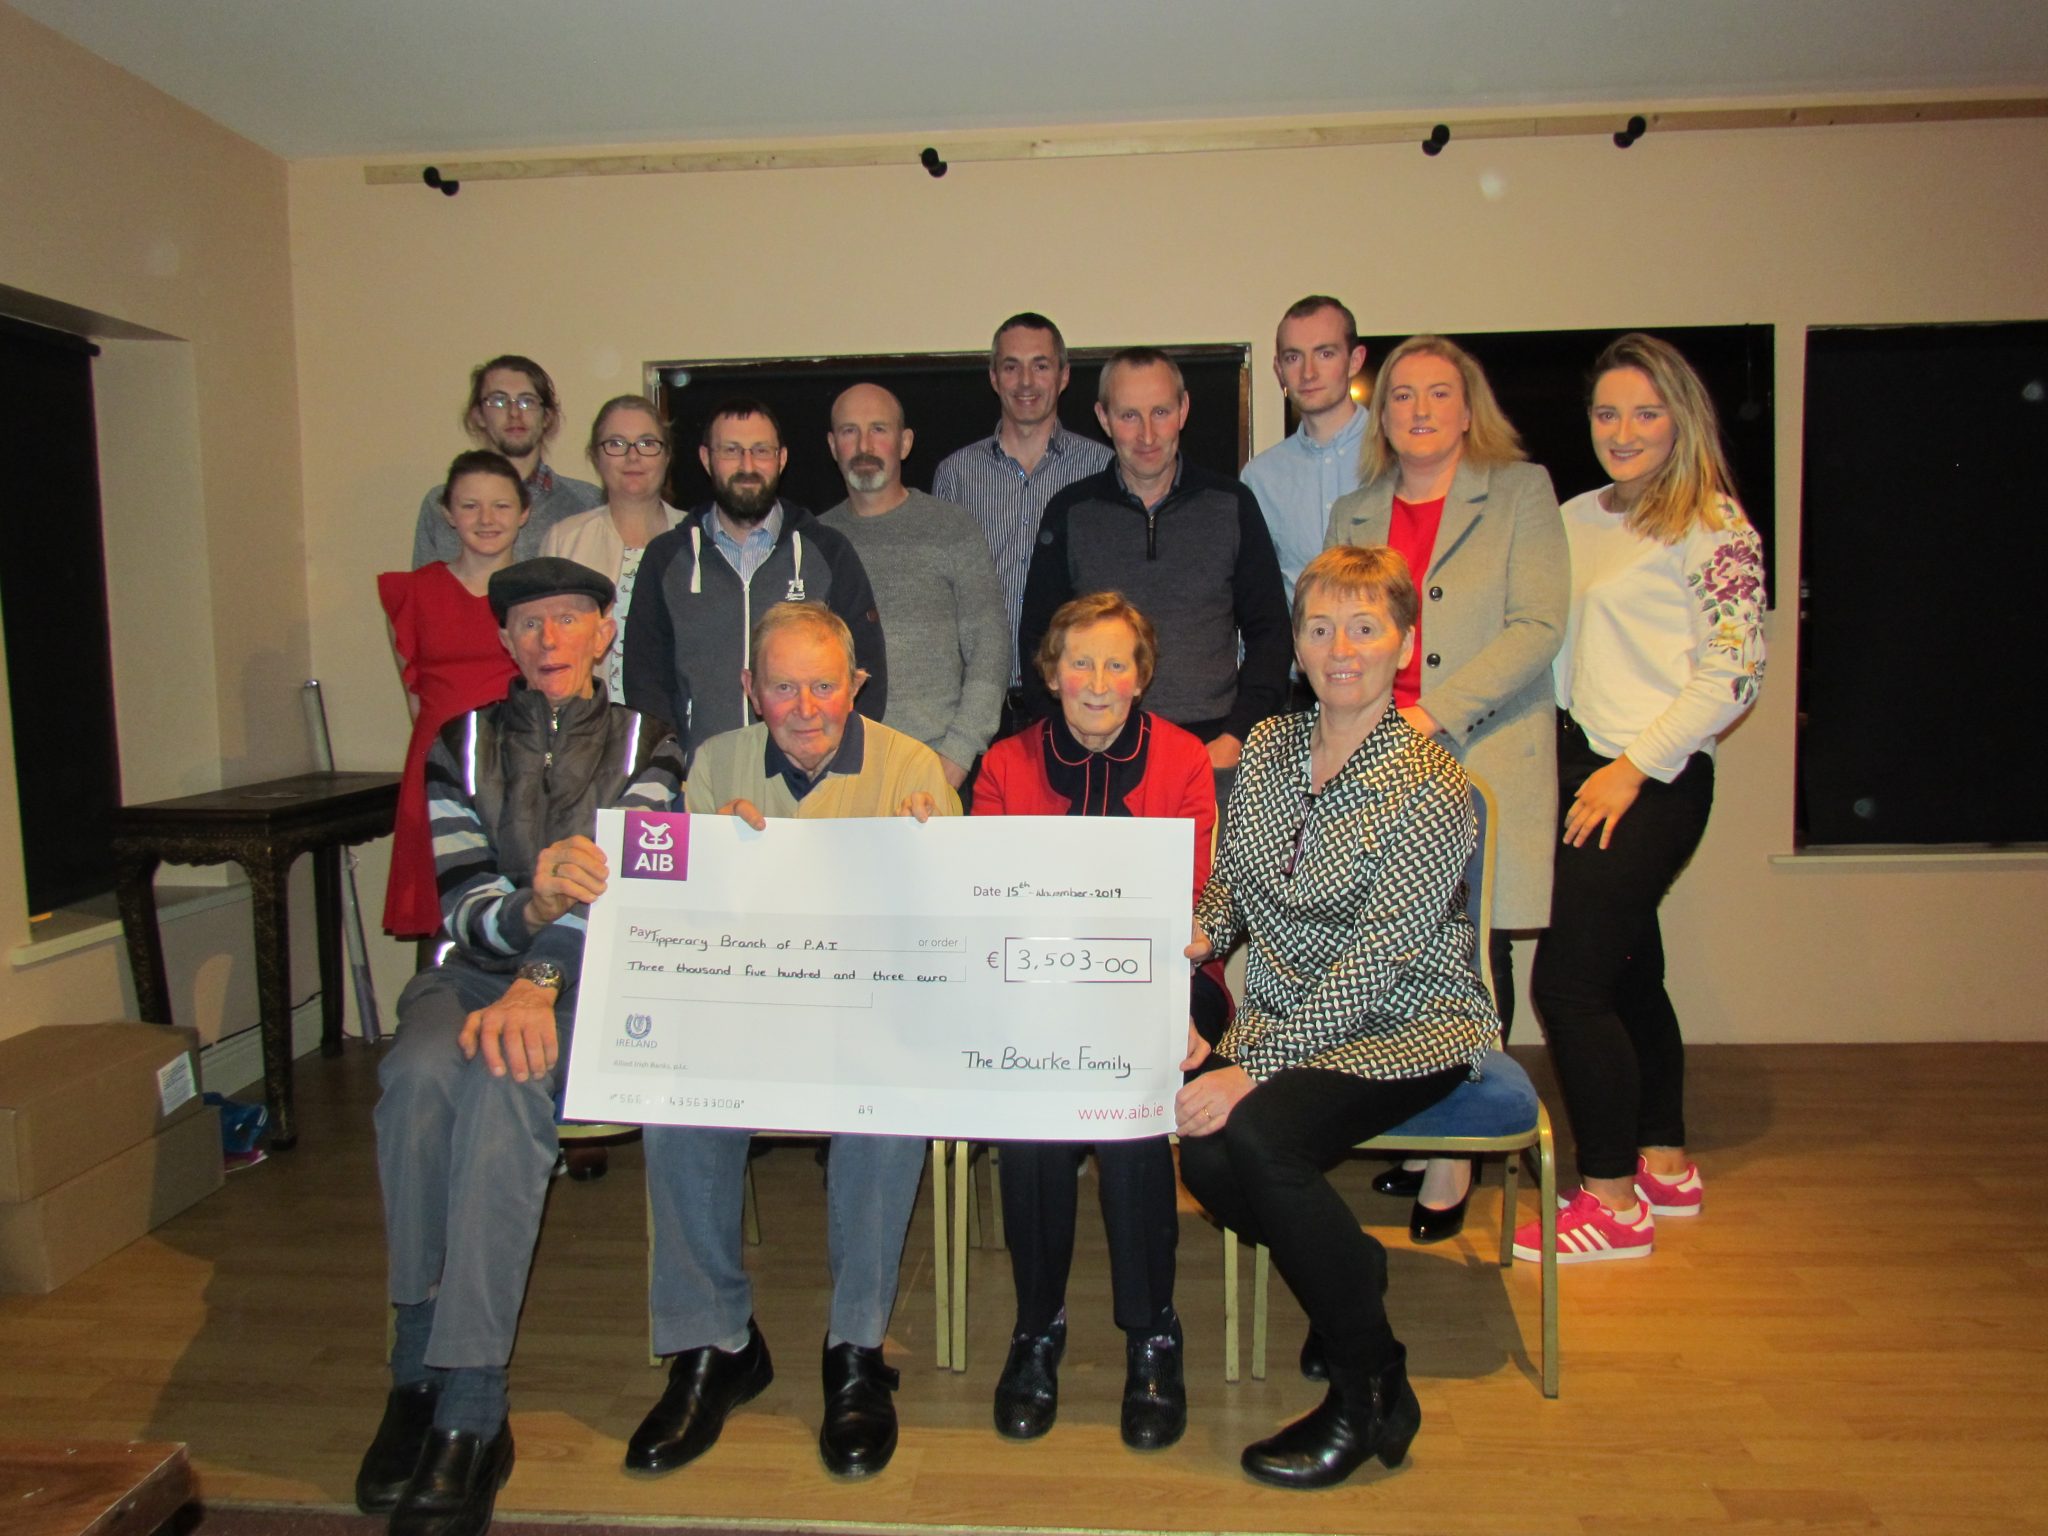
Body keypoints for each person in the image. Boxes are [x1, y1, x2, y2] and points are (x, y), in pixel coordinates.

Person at [358, 558, 684, 1536]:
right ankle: (413, 1368)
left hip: (596, 979)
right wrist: (534, 907)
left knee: (503, 1088)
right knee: (414, 1077)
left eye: (568, 619)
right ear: (504, 642)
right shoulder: (458, 745)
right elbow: (462, 903)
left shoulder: (650, 742)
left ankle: (468, 1408)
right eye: (528, 623)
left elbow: (631, 887)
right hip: (469, 972)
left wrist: (542, 976)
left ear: (601, 630)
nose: (547, 639)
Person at [1174, 545, 1500, 1490]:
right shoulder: (1272, 749)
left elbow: (1376, 962)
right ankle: (1352, 1268)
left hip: (1411, 1018)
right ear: (1299, 648)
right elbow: (1235, 885)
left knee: (1260, 1137)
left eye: (1365, 627)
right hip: (1288, 1011)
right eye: (1321, 629)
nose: (1341, 648)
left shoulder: (1432, 785)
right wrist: (1191, 942)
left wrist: (1249, 1063)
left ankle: (1372, 1390)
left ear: (1403, 642)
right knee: (1205, 1155)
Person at [629, 603, 956, 1481]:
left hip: (869, 1020)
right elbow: (666, 923)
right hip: (746, 1020)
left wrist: (938, 857)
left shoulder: (912, 768)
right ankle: (716, 1345)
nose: (806, 708)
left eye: (824, 685)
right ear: (749, 690)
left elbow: (955, 942)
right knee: (679, 1097)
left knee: (890, 1104)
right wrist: (710, 864)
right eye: (782, 687)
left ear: (856, 685)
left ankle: (855, 1350)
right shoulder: (712, 766)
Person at [1518, 333, 1765, 1265]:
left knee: (1569, 983)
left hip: (1649, 778)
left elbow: (1735, 674)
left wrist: (1633, 766)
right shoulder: (1577, 515)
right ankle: (1664, 1157)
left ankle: (1612, 1200)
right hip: (1580, 767)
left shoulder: (1712, 525)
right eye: (1608, 413)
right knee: (1628, 971)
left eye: (1645, 413)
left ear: (1681, 419)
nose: (1623, 431)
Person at [972, 593, 1230, 1451]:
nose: (1097, 680)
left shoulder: (1185, 759)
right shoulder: (1004, 765)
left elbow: (1193, 893)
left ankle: (1151, 1329)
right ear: (1049, 674)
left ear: (1142, 676)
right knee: (1037, 1114)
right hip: (1038, 984)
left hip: (1158, 977)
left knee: (1125, 1107)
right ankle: (1036, 1326)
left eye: (1117, 663)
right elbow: (990, 900)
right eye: (1079, 661)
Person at [1325, 334, 1568, 1243]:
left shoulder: (1520, 492)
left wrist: (1438, 714)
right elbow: (1335, 626)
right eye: (1400, 397)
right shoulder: (1355, 510)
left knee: (1470, 950)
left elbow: (1539, 624)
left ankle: (1458, 1154)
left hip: (1482, 751)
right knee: (1394, 945)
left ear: (1470, 409)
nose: (1419, 411)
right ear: (1381, 416)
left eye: (1438, 395)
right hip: (1378, 760)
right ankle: (1424, 1126)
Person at [1018, 348, 1291, 796]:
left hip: (1211, 752)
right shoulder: (1071, 512)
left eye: (1160, 411)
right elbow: (1038, 640)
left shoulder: (1232, 504)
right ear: (1103, 418)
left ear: (1183, 410)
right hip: (1097, 758)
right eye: (1129, 415)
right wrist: (1063, 739)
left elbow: (1271, 633)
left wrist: (1239, 735)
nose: (1147, 434)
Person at [623, 398, 888, 765]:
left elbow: (864, 672)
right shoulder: (666, 559)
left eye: (760, 451)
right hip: (701, 785)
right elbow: (645, 683)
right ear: (706, 458)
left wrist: (839, 767)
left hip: (809, 784)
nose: (747, 466)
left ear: (780, 459)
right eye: (731, 451)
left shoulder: (827, 553)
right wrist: (670, 767)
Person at [818, 383, 1009, 797]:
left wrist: (954, 762)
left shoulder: (952, 529)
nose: (864, 444)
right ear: (833, 445)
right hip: (837, 777)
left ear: (904, 443)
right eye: (850, 431)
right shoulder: (816, 542)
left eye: (879, 429)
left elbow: (990, 651)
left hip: (936, 769)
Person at [933, 313, 1112, 735]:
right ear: (994, 377)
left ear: (1064, 376)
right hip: (980, 706)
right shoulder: (956, 476)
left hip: (1076, 704)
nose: (1026, 381)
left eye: (1041, 365)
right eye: (1012, 366)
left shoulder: (1102, 468)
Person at [377, 450, 526, 942]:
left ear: (523, 513)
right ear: (447, 512)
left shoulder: (539, 594)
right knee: (440, 914)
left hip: (516, 765)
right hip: (438, 765)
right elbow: (414, 697)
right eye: (470, 506)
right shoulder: (414, 592)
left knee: (515, 910)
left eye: (501, 506)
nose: (487, 520)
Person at [541, 395, 686, 700]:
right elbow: (546, 647)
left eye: (647, 443)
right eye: (617, 444)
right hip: (586, 727)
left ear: (667, 455)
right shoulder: (564, 541)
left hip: (674, 728)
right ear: (596, 456)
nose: (633, 457)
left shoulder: (696, 539)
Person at [411, 355, 602, 566]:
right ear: (479, 415)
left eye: (527, 401)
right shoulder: (441, 504)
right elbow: (424, 593)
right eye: (499, 401)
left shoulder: (586, 503)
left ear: (547, 416)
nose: (514, 413)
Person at [1244, 296, 1371, 602]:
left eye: (1325, 354)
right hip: (1300, 649)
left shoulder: (1398, 456)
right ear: (1279, 370)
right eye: (1293, 358)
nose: (1308, 373)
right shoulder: (1260, 477)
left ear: (1355, 360)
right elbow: (1259, 594)